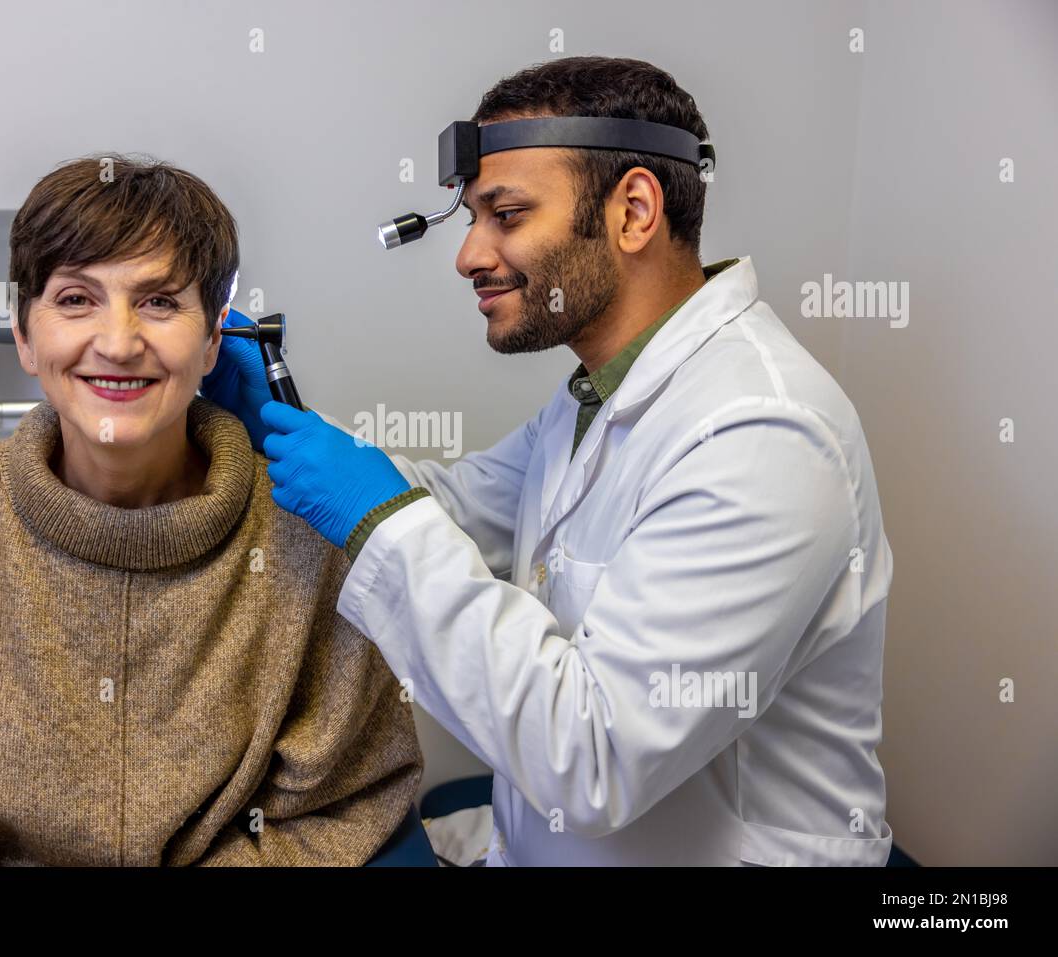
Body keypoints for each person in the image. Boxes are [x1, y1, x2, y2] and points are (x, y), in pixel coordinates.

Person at [204, 57, 895, 866]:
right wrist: (281, 423)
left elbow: (594, 757)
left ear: (634, 210)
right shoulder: (601, 392)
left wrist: (372, 516)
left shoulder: (764, 434)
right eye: (471, 219)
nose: (469, 255)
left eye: (506, 214)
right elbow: (451, 511)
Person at [0, 154, 422, 866]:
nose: (117, 343)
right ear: (24, 336)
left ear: (214, 341)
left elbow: (349, 801)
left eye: (159, 301)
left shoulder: (302, 535)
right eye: (76, 299)